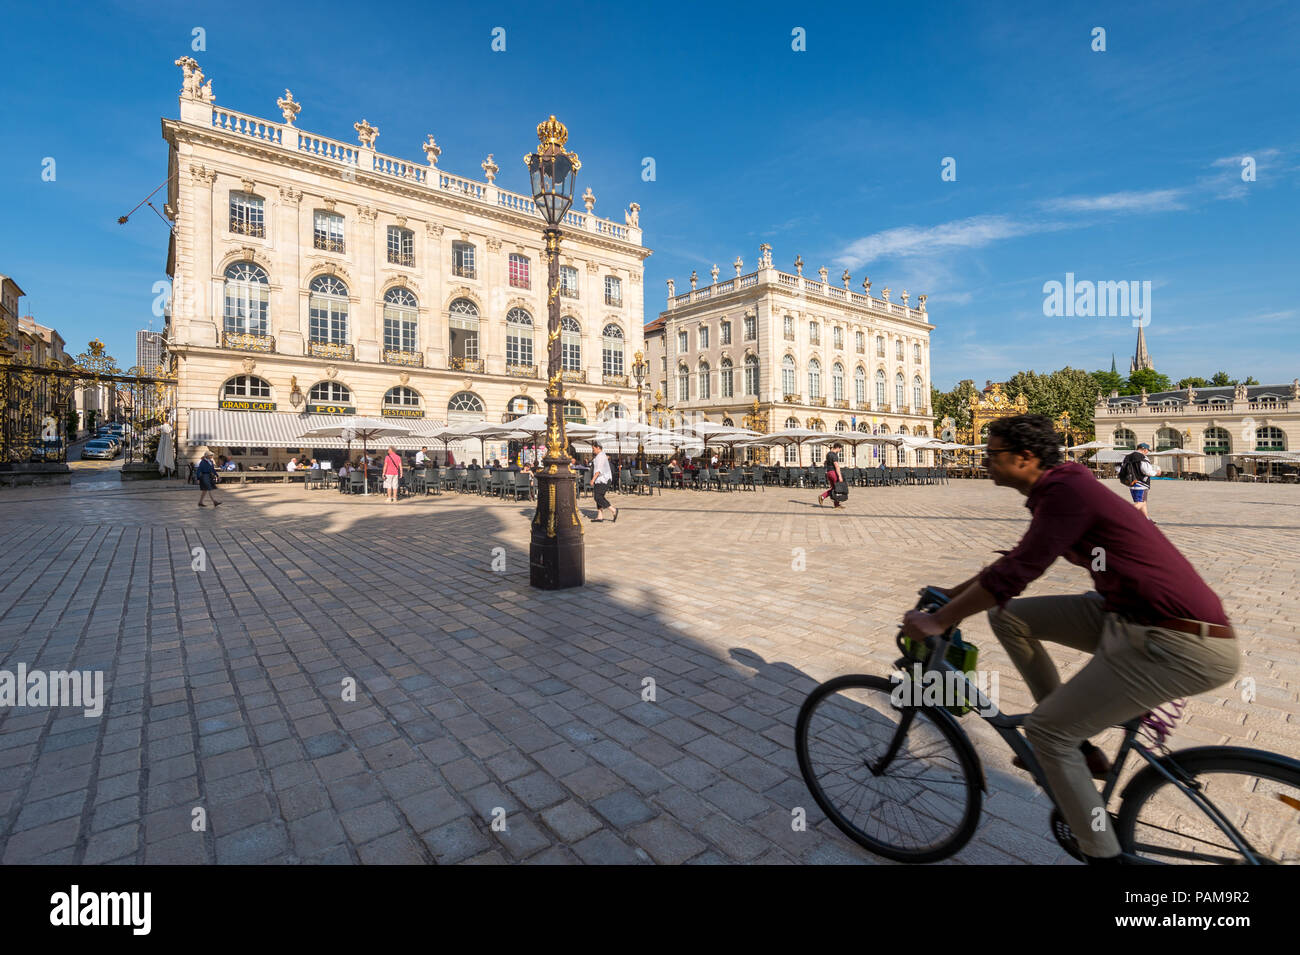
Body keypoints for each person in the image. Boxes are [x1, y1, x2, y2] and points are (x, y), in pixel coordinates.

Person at [901, 414, 1238, 866]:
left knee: (1046, 733)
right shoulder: (1060, 489)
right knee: (1010, 618)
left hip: (1176, 639)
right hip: (1132, 614)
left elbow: (1016, 573)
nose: (985, 460)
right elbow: (1014, 564)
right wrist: (950, 595)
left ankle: (1103, 855)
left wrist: (940, 620)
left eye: (993, 453)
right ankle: (1080, 746)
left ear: (1025, 458)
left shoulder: (1065, 492)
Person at [1121, 442, 1161, 520]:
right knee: (1140, 502)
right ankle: (1122, 515)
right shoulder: (1142, 457)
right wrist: (1156, 473)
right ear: (1144, 449)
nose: (1147, 452)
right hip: (1141, 483)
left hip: (1131, 481)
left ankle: (1146, 519)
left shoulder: (1128, 457)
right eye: (1147, 450)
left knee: (1143, 501)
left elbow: (1121, 469)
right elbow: (1146, 471)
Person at [590, 439, 618, 523]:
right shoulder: (600, 456)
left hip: (603, 480)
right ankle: (600, 516)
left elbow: (598, 470)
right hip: (601, 480)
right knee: (598, 496)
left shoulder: (601, 457)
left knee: (598, 497)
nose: (593, 450)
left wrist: (592, 480)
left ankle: (613, 510)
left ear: (598, 447)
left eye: (593, 448)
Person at [818, 442, 846, 508]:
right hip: (833, 473)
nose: (840, 450)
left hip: (828, 472)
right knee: (837, 488)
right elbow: (836, 466)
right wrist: (840, 476)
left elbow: (825, 463)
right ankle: (823, 497)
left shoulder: (828, 454)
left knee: (834, 488)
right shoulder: (834, 455)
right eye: (840, 449)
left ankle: (835, 504)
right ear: (838, 447)